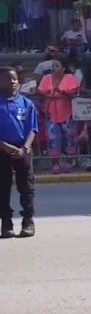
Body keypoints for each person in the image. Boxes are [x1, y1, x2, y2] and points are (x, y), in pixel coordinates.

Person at [0, 65, 37, 238]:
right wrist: (5, 146)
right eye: (8, 79)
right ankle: (6, 222)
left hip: (23, 149)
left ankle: (28, 220)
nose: (13, 82)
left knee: (26, 186)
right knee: (3, 187)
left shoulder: (26, 103)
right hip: (2, 150)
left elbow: (33, 128)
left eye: (14, 78)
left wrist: (25, 147)